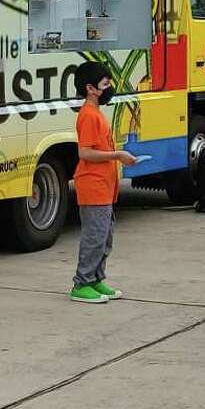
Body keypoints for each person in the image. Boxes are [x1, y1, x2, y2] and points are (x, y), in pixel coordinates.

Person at [69, 61, 138, 304]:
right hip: (93, 186)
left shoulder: (96, 113)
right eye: (105, 84)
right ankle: (82, 283)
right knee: (95, 236)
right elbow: (85, 153)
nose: (109, 88)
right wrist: (117, 155)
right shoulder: (88, 116)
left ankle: (96, 278)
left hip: (105, 186)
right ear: (91, 88)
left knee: (104, 236)